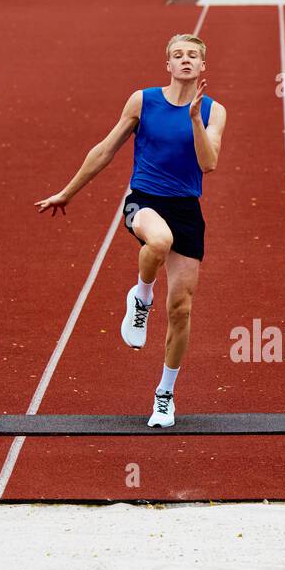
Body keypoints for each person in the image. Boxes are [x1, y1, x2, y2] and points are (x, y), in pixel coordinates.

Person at [35, 33, 227, 427]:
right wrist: (67, 192)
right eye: (178, 55)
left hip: (187, 208)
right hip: (145, 199)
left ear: (203, 66)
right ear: (168, 65)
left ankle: (164, 396)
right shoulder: (143, 100)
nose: (185, 60)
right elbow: (105, 148)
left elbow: (208, 164)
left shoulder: (213, 111)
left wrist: (194, 119)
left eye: (193, 55)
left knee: (181, 310)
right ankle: (141, 299)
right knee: (158, 240)